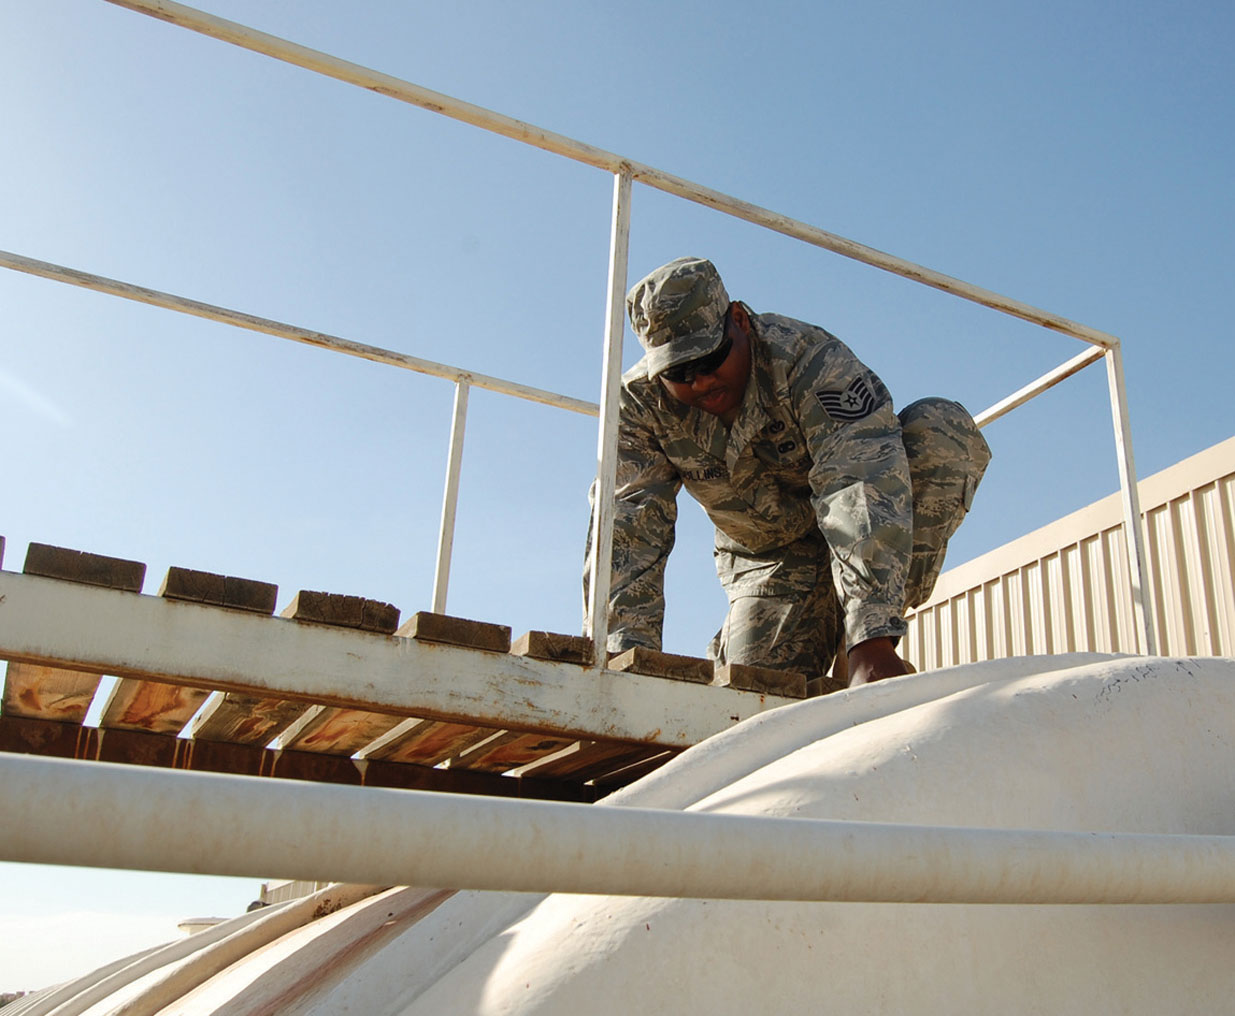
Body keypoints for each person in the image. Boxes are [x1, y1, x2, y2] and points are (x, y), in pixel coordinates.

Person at [586, 256, 991, 688]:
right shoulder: (640, 406)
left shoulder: (808, 360)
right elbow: (629, 529)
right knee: (753, 694)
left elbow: (857, 480)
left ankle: (861, 646)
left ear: (738, 320)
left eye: (710, 359)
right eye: (679, 373)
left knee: (941, 431)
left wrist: (871, 640)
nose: (701, 383)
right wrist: (624, 658)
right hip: (769, 557)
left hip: (864, 521)